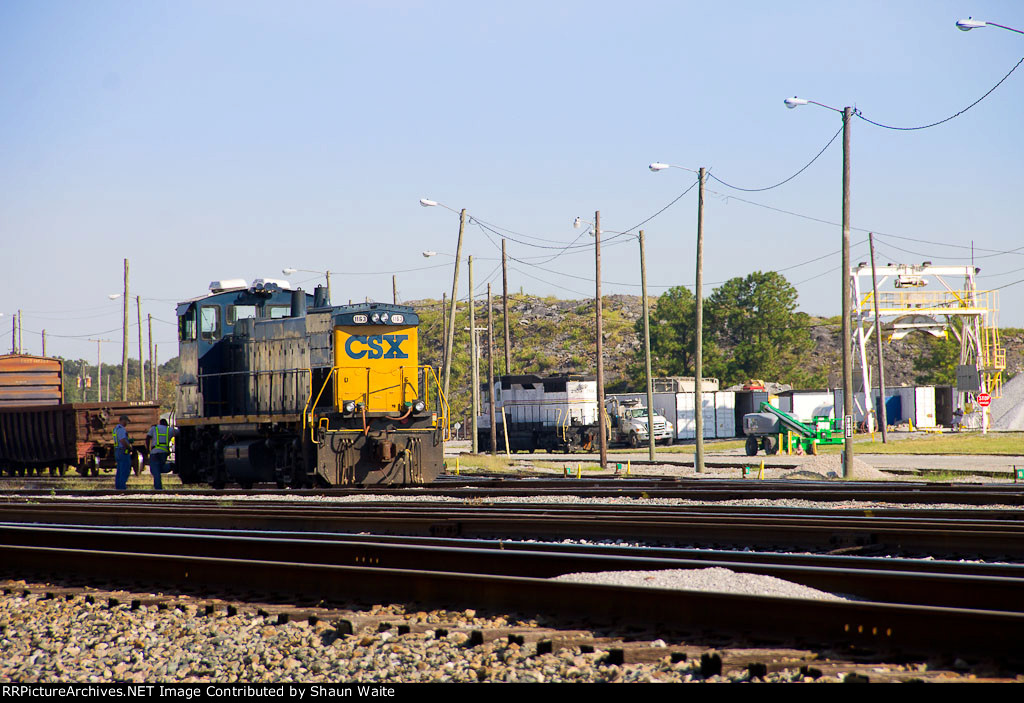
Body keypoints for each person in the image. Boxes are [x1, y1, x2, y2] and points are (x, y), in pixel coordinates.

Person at [145, 419, 179, 490]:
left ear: (159, 423)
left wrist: (148, 450)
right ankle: (170, 466)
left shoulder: (154, 428)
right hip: (164, 453)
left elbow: (147, 437)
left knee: (155, 471)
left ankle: (158, 489)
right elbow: (179, 432)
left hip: (154, 452)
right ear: (166, 424)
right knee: (160, 468)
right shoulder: (169, 430)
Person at [113, 415, 132, 490]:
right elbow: (122, 440)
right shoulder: (121, 429)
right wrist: (129, 447)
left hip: (117, 450)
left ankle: (118, 487)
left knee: (120, 470)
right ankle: (122, 487)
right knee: (125, 469)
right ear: (123, 420)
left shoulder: (116, 429)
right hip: (122, 451)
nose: (127, 423)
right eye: (126, 421)